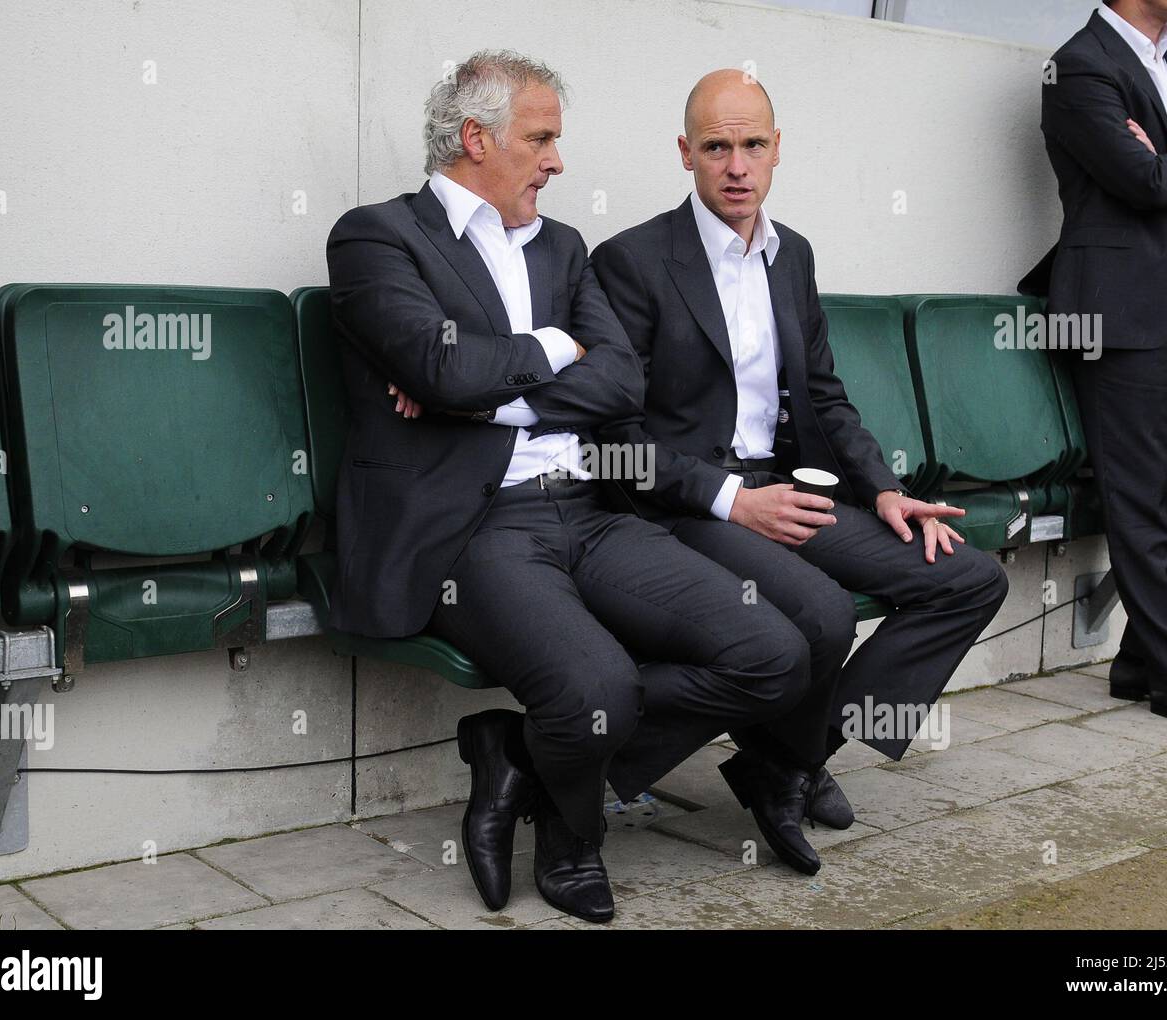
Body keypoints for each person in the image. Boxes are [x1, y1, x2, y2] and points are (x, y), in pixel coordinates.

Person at [326, 51, 828, 923]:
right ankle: (574, 836)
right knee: (600, 688)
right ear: (476, 138)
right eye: (542, 137)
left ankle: (517, 754)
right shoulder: (376, 237)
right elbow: (435, 366)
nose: (558, 160)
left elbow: (621, 382)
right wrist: (553, 351)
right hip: (473, 529)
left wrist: (476, 392)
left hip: (592, 507)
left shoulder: (564, 246)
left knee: (773, 655)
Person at [592, 69, 1010, 827]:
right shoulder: (632, 261)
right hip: (689, 503)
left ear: (779, 148)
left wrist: (883, 488)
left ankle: (787, 759)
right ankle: (760, 763)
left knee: (968, 578)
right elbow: (616, 437)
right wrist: (733, 501)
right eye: (717, 147)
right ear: (685, 153)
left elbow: (823, 392)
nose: (737, 166)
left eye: (753, 144)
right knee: (821, 614)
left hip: (788, 489)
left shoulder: (793, 256)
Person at [1020, 0, 1167, 735]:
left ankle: (1145, 658)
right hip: (1117, 305)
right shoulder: (1080, 64)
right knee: (1140, 493)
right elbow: (1140, 181)